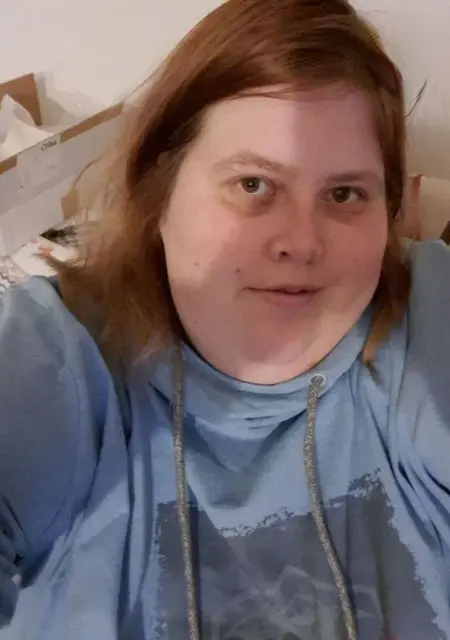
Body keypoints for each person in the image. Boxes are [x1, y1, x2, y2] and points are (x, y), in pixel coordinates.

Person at [0, 0, 449, 638]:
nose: (301, 242)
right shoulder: (60, 354)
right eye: (253, 184)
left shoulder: (426, 318)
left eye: (344, 193)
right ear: (158, 193)